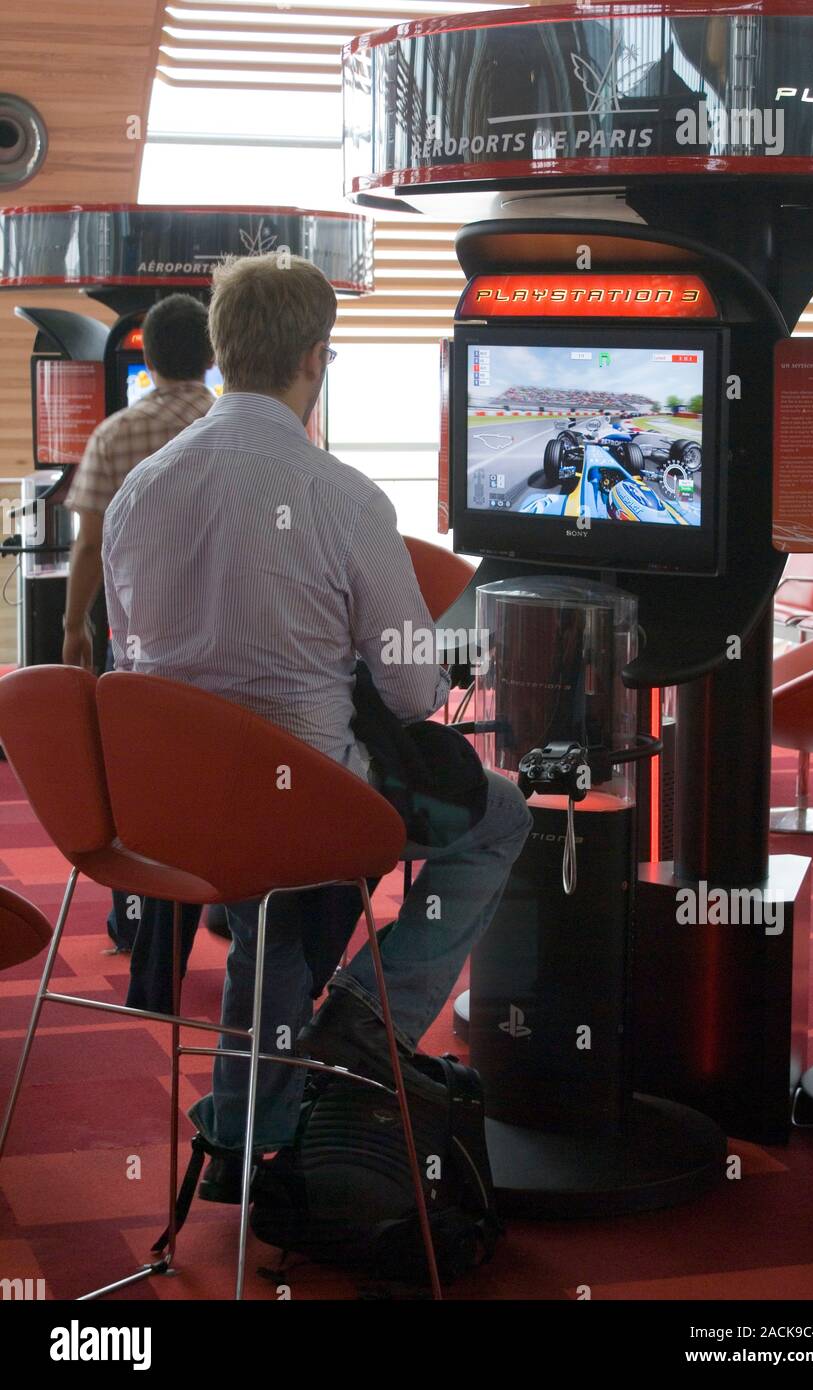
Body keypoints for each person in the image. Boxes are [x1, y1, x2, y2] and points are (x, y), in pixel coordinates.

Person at [102, 252, 533, 1199]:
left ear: (218, 350)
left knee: (277, 891)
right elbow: (417, 694)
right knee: (503, 819)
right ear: (317, 358)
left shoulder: (139, 493)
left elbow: (129, 664)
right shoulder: (344, 498)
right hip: (299, 812)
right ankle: (367, 1017)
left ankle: (252, 1122)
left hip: (165, 813)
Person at [64, 294, 216, 957]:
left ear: (146, 359)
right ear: (212, 357)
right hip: (230, 650)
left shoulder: (116, 434)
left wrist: (74, 628)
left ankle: (137, 920)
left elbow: (88, 545)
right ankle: (229, 901)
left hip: (144, 655)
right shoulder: (235, 430)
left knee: (145, 789)